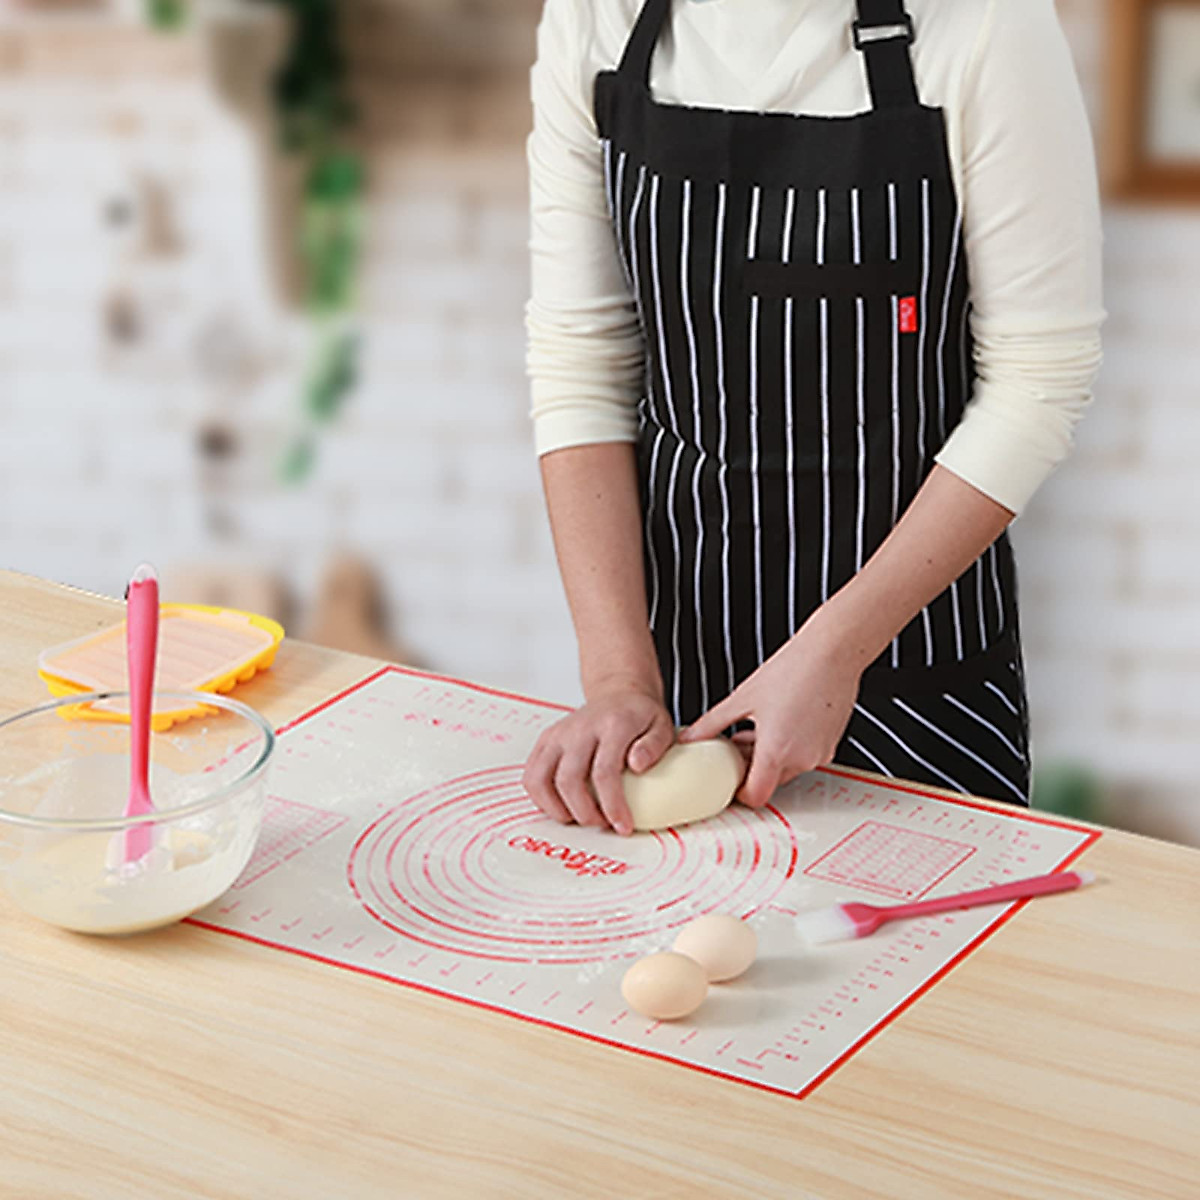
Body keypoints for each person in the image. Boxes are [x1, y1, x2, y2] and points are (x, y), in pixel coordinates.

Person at [521, 0, 1104, 835]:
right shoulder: (597, 16)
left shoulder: (985, 23)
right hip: (680, 701)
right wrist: (619, 680)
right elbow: (584, 360)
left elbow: (1037, 383)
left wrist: (834, 652)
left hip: (919, 692)